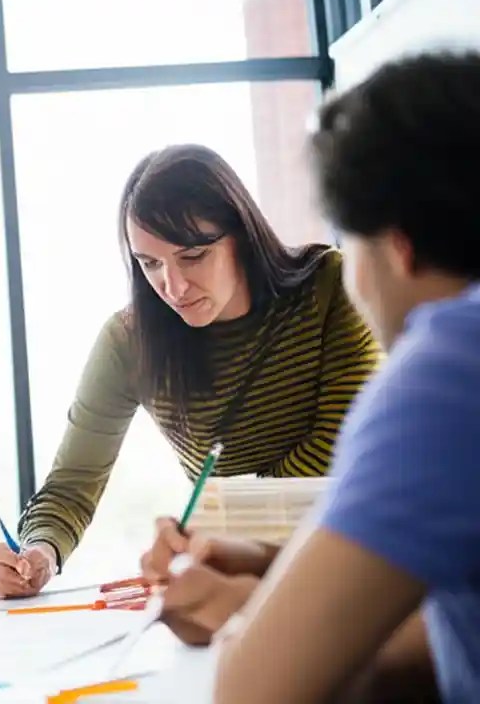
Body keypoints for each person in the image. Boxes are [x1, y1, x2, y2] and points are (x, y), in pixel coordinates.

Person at [0, 143, 383, 599]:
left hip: (358, 553)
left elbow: (342, 447)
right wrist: (40, 553)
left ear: (243, 232)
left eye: (193, 256)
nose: (171, 288)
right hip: (238, 579)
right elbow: (72, 482)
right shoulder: (129, 340)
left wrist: (211, 524)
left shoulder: (330, 285)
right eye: (149, 263)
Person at [212, 51, 480, 704]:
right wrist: (283, 571)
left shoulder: (449, 368)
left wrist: (251, 621)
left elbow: (253, 691)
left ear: (396, 245)